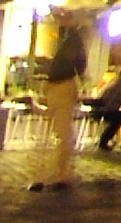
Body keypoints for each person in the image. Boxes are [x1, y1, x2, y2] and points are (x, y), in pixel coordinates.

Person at [34, 14, 90, 192]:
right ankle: (53, 174)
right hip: (58, 87)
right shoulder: (69, 39)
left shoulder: (73, 39)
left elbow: (74, 63)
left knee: (62, 133)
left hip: (62, 86)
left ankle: (59, 175)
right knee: (57, 132)